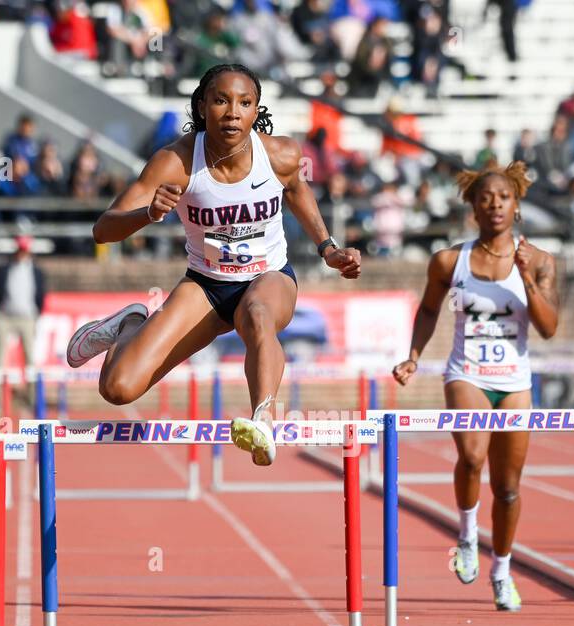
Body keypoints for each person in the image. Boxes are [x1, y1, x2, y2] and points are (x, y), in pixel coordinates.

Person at [65, 63, 360, 466]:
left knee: (257, 313)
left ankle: (263, 418)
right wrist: (147, 214)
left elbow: (297, 191)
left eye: (245, 103)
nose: (233, 112)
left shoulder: (281, 154)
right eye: (221, 100)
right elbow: (103, 230)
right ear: (203, 106)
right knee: (118, 388)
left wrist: (328, 247)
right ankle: (131, 324)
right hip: (205, 286)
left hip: (268, 277)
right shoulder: (176, 162)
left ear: (257, 111)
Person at [391, 160, 559, 611]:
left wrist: (527, 279)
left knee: (507, 488)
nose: (495, 206)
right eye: (486, 199)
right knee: (471, 454)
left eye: (504, 198)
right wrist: (413, 356)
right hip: (467, 373)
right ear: (473, 208)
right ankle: (467, 535)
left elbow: (548, 328)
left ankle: (502, 570)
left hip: (515, 381)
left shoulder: (540, 261)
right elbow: (428, 310)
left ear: (517, 206)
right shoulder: (449, 260)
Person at [0, 235, 45, 410]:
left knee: (29, 358)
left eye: (25, 250)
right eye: (20, 249)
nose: (22, 253)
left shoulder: (36, 271)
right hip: (5, 317)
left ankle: (32, 399)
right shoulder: (4, 269)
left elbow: (41, 293)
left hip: (27, 317)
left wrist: (37, 314)